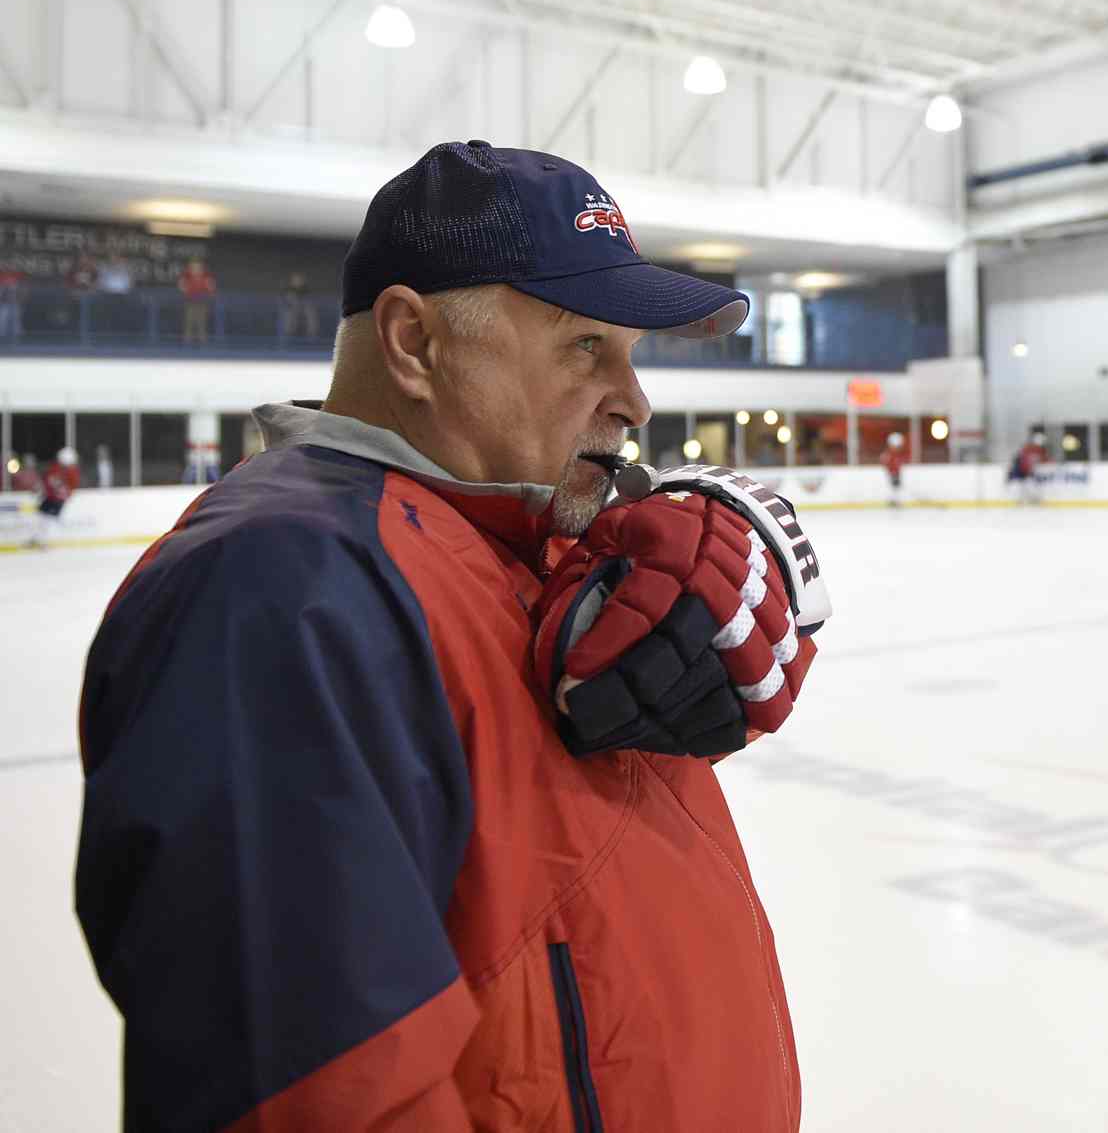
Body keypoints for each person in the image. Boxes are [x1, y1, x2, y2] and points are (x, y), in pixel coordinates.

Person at [75, 141, 813, 1131]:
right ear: (414, 342)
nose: (635, 402)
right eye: (585, 345)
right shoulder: (283, 592)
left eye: (633, 356)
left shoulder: (515, 539)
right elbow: (320, 1099)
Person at [29, 446, 80, 548]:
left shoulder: (59, 469)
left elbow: (48, 481)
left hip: (55, 499)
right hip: (54, 498)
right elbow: (70, 487)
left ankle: (42, 540)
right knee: (43, 517)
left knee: (46, 519)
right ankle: (38, 539)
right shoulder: (63, 470)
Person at [177, 256, 217, 344]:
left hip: (202, 301)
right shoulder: (186, 276)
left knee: (201, 321)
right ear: (190, 267)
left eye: (198, 266)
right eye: (193, 266)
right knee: (189, 320)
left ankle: (202, 339)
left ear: (202, 267)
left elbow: (211, 287)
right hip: (190, 301)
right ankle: (187, 339)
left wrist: (209, 289)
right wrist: (185, 288)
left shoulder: (206, 276)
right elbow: (181, 287)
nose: (196, 268)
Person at [1006, 430, 1049, 505]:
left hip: (1027, 471)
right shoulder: (1027, 449)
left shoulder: (1040, 451)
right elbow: (1020, 460)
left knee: (1030, 485)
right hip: (1020, 470)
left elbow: (1043, 459)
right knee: (1021, 486)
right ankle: (1022, 500)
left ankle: (1032, 500)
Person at [279, 270, 319, 339]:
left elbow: (309, 302)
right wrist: (294, 304)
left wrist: (302, 306)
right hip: (291, 310)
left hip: (303, 309)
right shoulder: (287, 289)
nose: (298, 281)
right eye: (296, 279)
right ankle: (288, 333)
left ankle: (311, 334)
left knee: (310, 313)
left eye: (300, 279)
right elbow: (286, 301)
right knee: (289, 315)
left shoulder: (305, 290)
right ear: (292, 280)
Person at [881, 430, 909, 507]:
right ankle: (893, 500)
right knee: (894, 486)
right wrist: (892, 472)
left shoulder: (898, 455)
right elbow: (887, 464)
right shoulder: (888, 455)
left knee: (896, 487)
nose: (898, 448)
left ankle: (894, 500)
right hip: (892, 474)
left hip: (895, 474)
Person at [0, 266, 24, 340]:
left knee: (16, 319)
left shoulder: (16, 285)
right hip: (4, 304)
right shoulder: (2, 285)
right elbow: (2, 295)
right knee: (3, 319)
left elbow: (20, 293)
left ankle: (16, 334)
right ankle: (2, 334)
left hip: (15, 304)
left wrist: (19, 300)